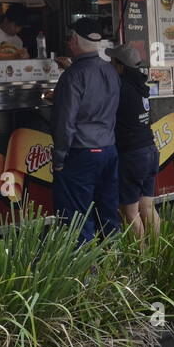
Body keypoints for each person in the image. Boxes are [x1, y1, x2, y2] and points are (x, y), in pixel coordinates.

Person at [50, 18, 120, 243]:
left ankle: (86, 275)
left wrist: (59, 158)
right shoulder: (110, 71)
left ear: (75, 42)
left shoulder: (72, 76)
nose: (68, 43)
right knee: (108, 213)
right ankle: (116, 265)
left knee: (77, 219)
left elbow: (64, 122)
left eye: (70, 39)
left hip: (81, 152)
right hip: (108, 149)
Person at [109, 43, 160, 241]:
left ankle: (143, 260)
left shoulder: (120, 87)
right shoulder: (141, 85)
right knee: (147, 206)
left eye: (113, 62)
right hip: (150, 149)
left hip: (132, 154)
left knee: (130, 212)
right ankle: (159, 255)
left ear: (120, 66)